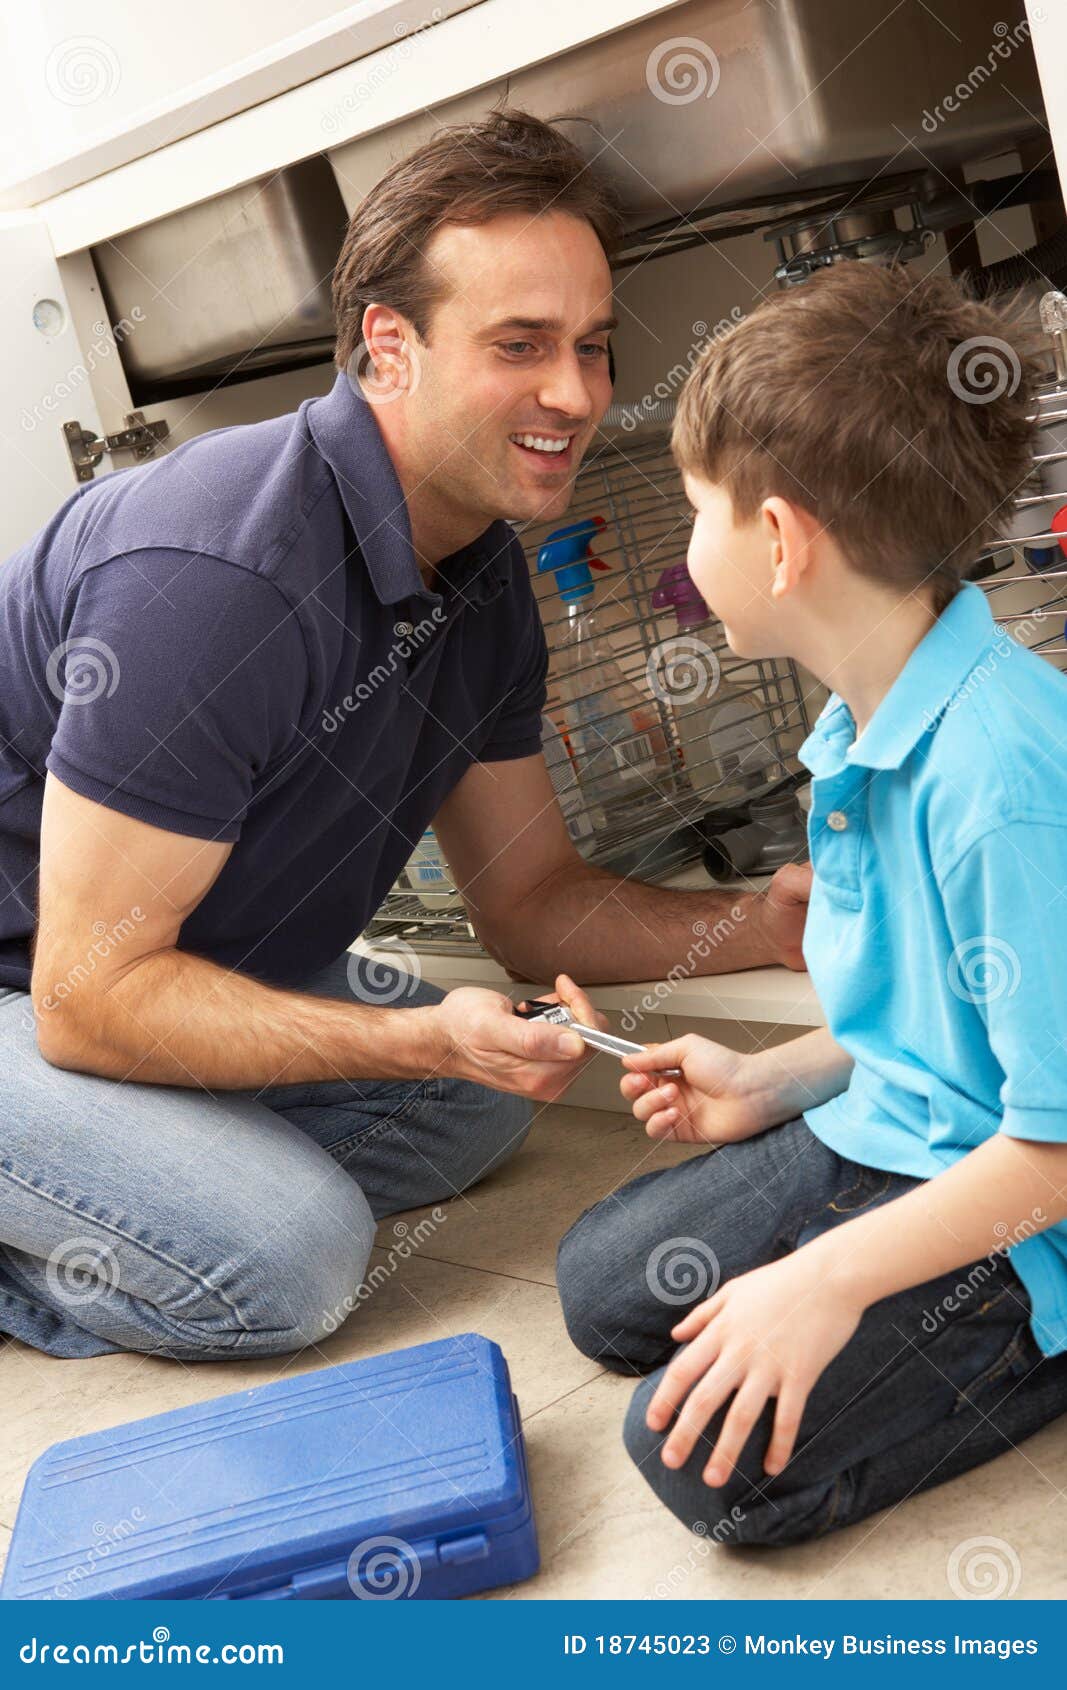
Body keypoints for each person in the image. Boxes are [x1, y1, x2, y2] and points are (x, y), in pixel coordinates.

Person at [0, 109, 808, 1361]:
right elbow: (85, 996)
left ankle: (140, 1172)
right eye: (519, 345)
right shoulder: (220, 575)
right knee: (291, 1255)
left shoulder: (480, 575)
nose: (578, 393)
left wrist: (763, 924)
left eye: (592, 346)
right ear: (389, 347)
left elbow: (530, 902)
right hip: (42, 983)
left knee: (470, 1113)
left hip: (143, 964)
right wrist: (411, 1035)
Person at [557, 262, 1067, 1546]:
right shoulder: (865, 717)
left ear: (777, 542)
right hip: (902, 1125)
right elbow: (945, 1004)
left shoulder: (997, 777)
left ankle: (1028, 1352)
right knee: (604, 1288)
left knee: (696, 1463)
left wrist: (830, 1275)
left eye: (690, 512)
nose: (684, 544)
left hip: (1026, 1211)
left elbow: (1055, 1137)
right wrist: (770, 1080)